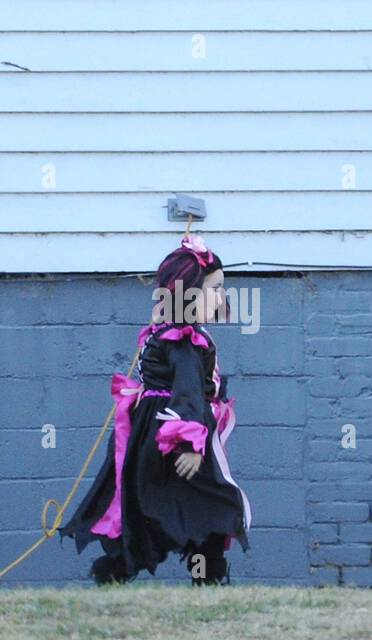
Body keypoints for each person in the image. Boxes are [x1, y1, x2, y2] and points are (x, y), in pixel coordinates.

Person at [59, 234, 251, 585]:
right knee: (217, 506)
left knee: (151, 506)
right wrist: (188, 444)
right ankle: (202, 577)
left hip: (150, 431)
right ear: (187, 294)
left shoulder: (162, 333)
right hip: (176, 433)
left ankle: (119, 569)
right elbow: (188, 393)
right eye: (215, 288)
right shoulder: (185, 341)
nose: (222, 297)